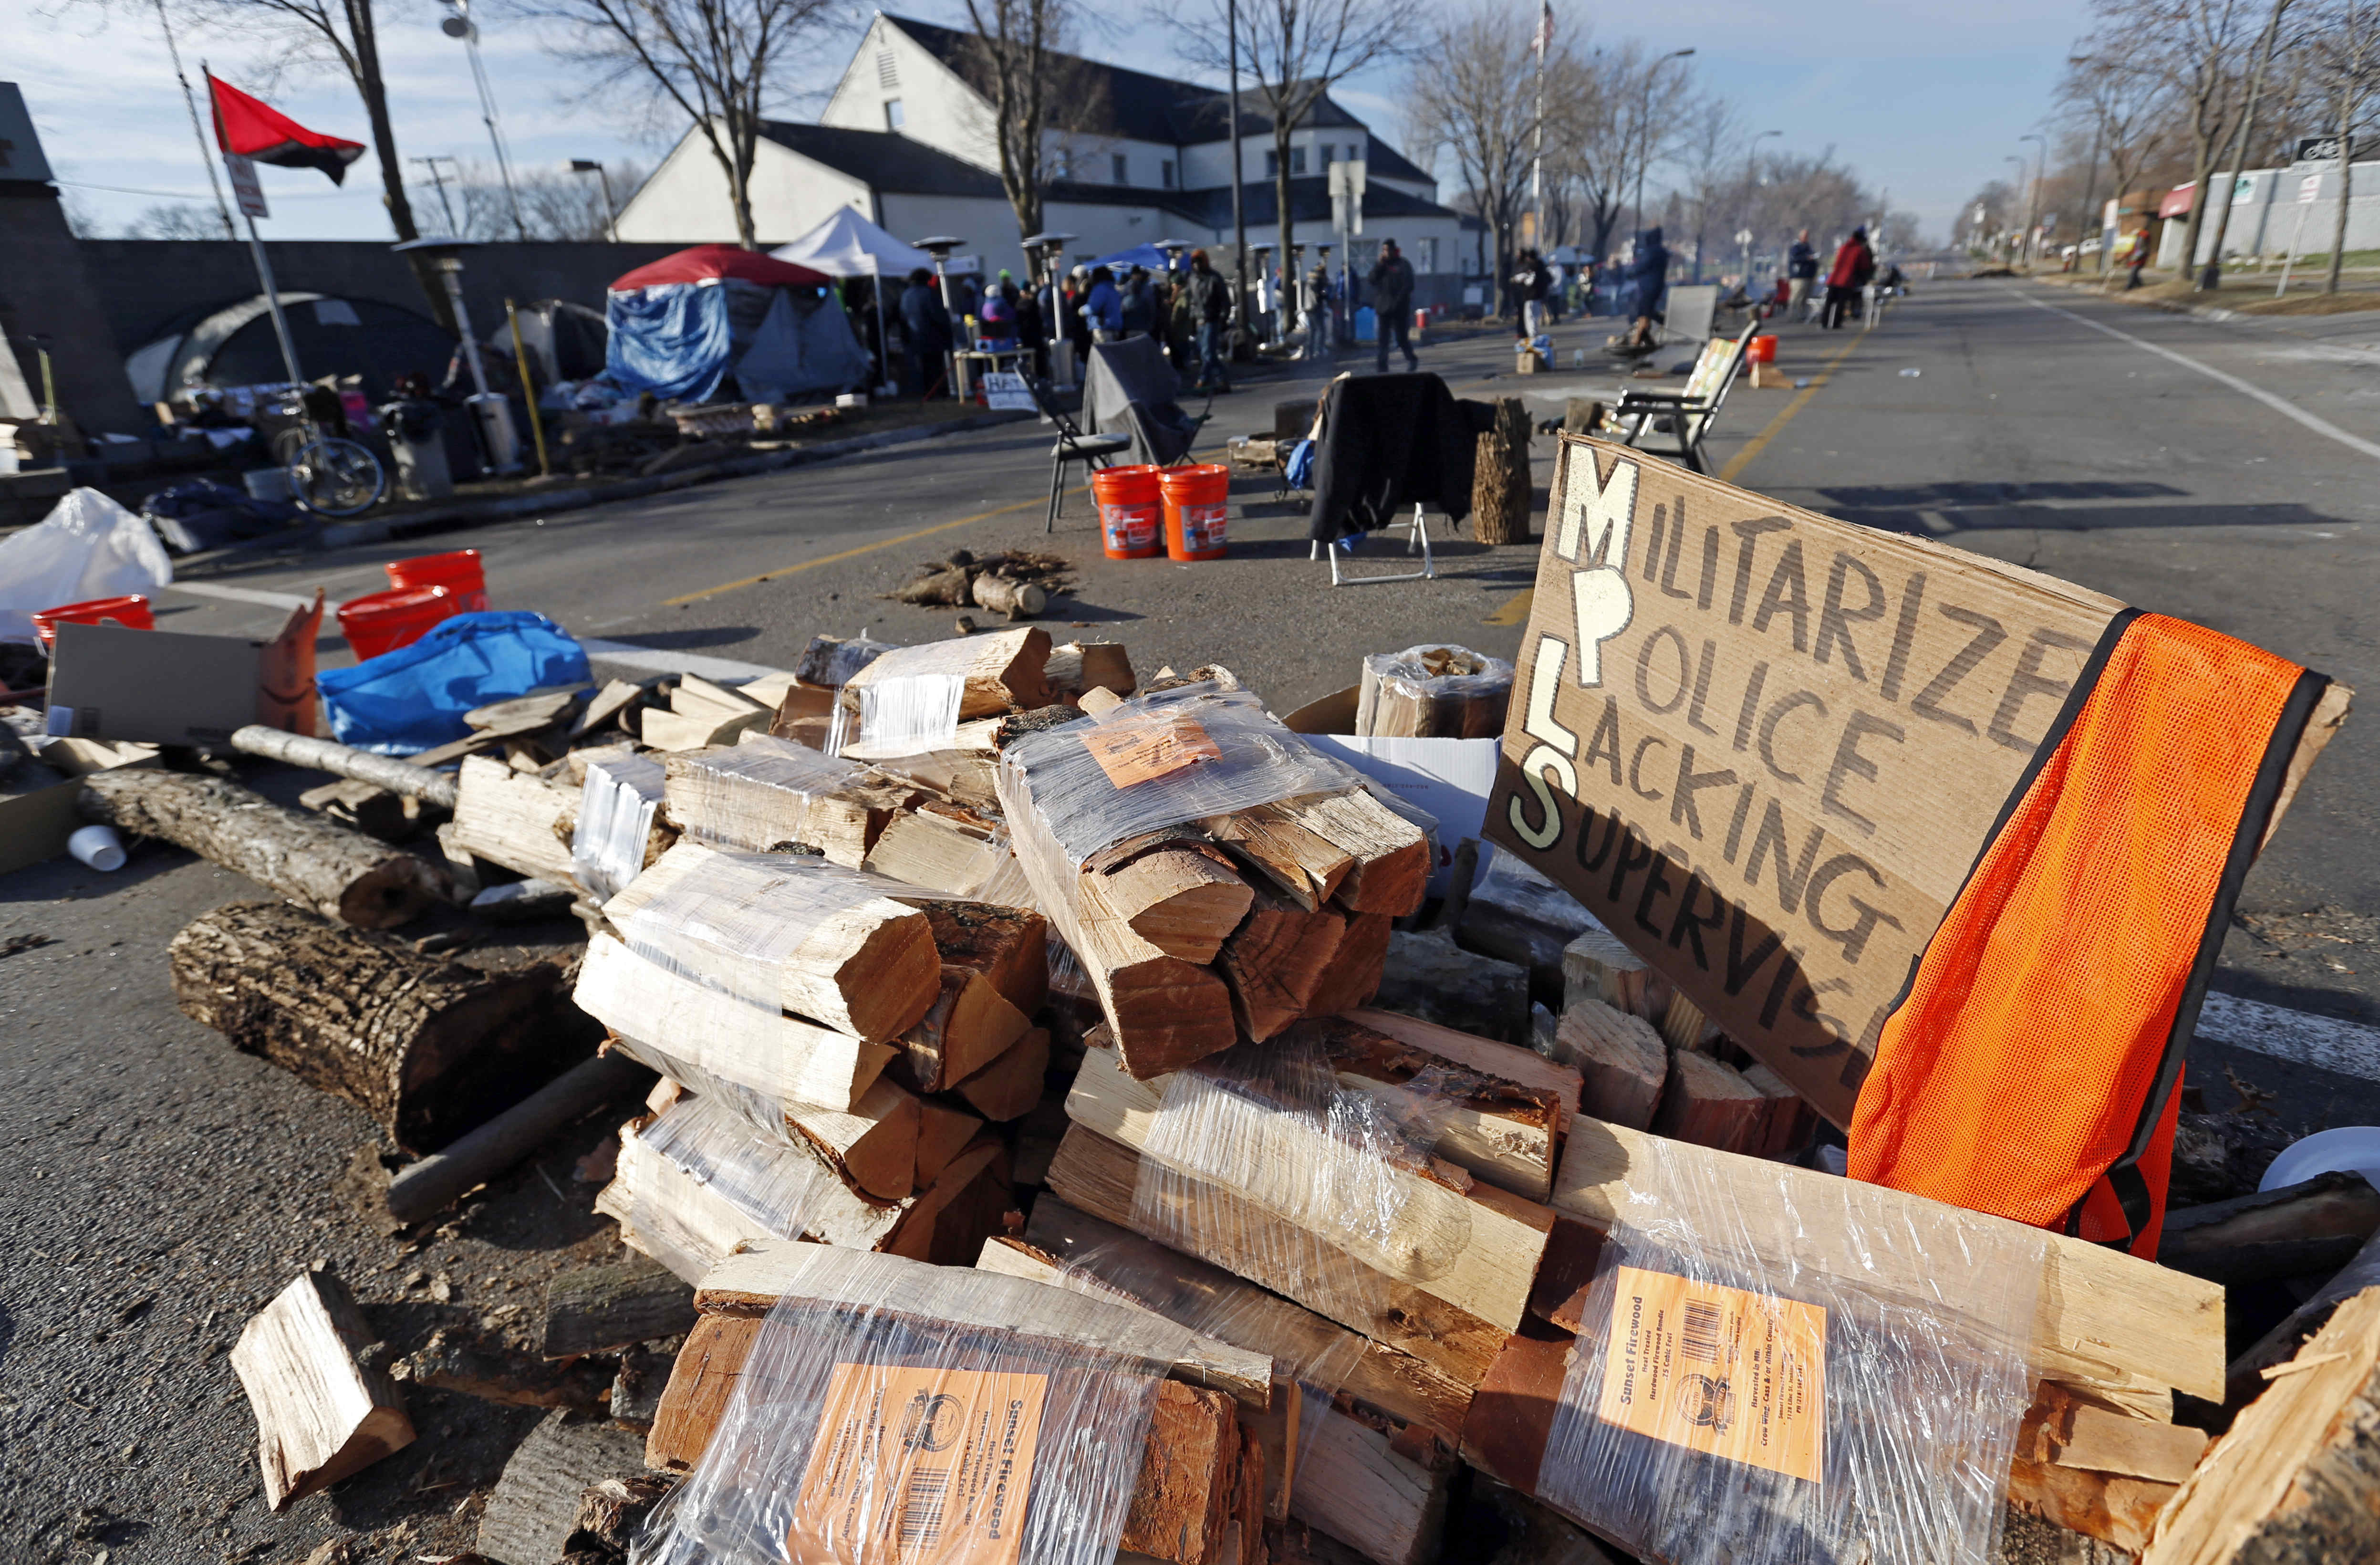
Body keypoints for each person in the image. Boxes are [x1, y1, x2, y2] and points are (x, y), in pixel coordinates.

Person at [1608, 228, 1669, 353]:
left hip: (1649, 287)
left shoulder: (1652, 252)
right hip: (1654, 286)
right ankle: (1645, 338)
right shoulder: (1660, 252)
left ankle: (1640, 338)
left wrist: (1630, 272)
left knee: (1644, 311)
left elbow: (1641, 267)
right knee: (1644, 311)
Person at [898, 267, 953, 399]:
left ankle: (923, 393)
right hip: (931, 338)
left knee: (920, 369)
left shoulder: (906, 295)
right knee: (934, 369)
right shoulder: (928, 294)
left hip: (913, 339)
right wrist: (948, 333)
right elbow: (939, 317)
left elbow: (902, 317)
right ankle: (935, 393)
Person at [1184, 248, 1234, 392]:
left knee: (1208, 353)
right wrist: (1192, 319)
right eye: (1194, 263)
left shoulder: (1214, 278)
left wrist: (1223, 318)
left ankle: (1204, 380)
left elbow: (1225, 300)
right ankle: (1219, 380)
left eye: (1199, 262)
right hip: (1199, 321)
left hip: (1213, 319)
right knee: (1205, 354)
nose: (1197, 265)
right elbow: (1192, 300)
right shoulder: (1192, 279)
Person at [1367, 238, 1418, 374]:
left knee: (1401, 338)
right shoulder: (1381, 266)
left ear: (1394, 250)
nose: (1386, 253)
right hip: (1384, 308)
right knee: (1383, 340)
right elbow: (1372, 280)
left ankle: (1412, 359)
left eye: (1388, 250)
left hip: (1400, 309)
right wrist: (1380, 265)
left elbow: (1409, 285)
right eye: (1384, 250)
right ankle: (1382, 367)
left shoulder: (1403, 264)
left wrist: (1399, 302)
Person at [1823, 226, 1874, 329]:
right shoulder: (1859, 250)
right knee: (1840, 303)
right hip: (1846, 281)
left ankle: (1824, 322)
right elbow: (1865, 266)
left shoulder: (1843, 248)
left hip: (1834, 279)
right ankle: (1836, 323)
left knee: (1829, 303)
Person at [1513, 249, 1551, 340]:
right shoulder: (1542, 267)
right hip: (1538, 296)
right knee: (1535, 318)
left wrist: (1518, 280)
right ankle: (1534, 335)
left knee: (1530, 317)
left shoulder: (1532, 268)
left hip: (1530, 296)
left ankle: (1533, 337)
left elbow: (1528, 280)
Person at [1787, 229, 1819, 319]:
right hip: (1799, 277)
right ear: (1800, 236)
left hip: (1808, 277)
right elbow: (1794, 258)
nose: (1806, 238)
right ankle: (1793, 316)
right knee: (1796, 297)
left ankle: (1802, 315)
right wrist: (1807, 258)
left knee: (1805, 298)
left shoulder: (1808, 247)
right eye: (1805, 236)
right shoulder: (1796, 247)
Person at [1085, 265, 1123, 341]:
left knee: (1101, 352)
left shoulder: (1100, 289)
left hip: (1103, 328)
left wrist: (1083, 310)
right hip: (1115, 328)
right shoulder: (1113, 289)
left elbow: (1094, 308)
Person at [1119, 266, 1156, 337]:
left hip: (1133, 326)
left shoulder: (1129, 287)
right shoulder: (1147, 287)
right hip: (1141, 326)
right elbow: (1152, 307)